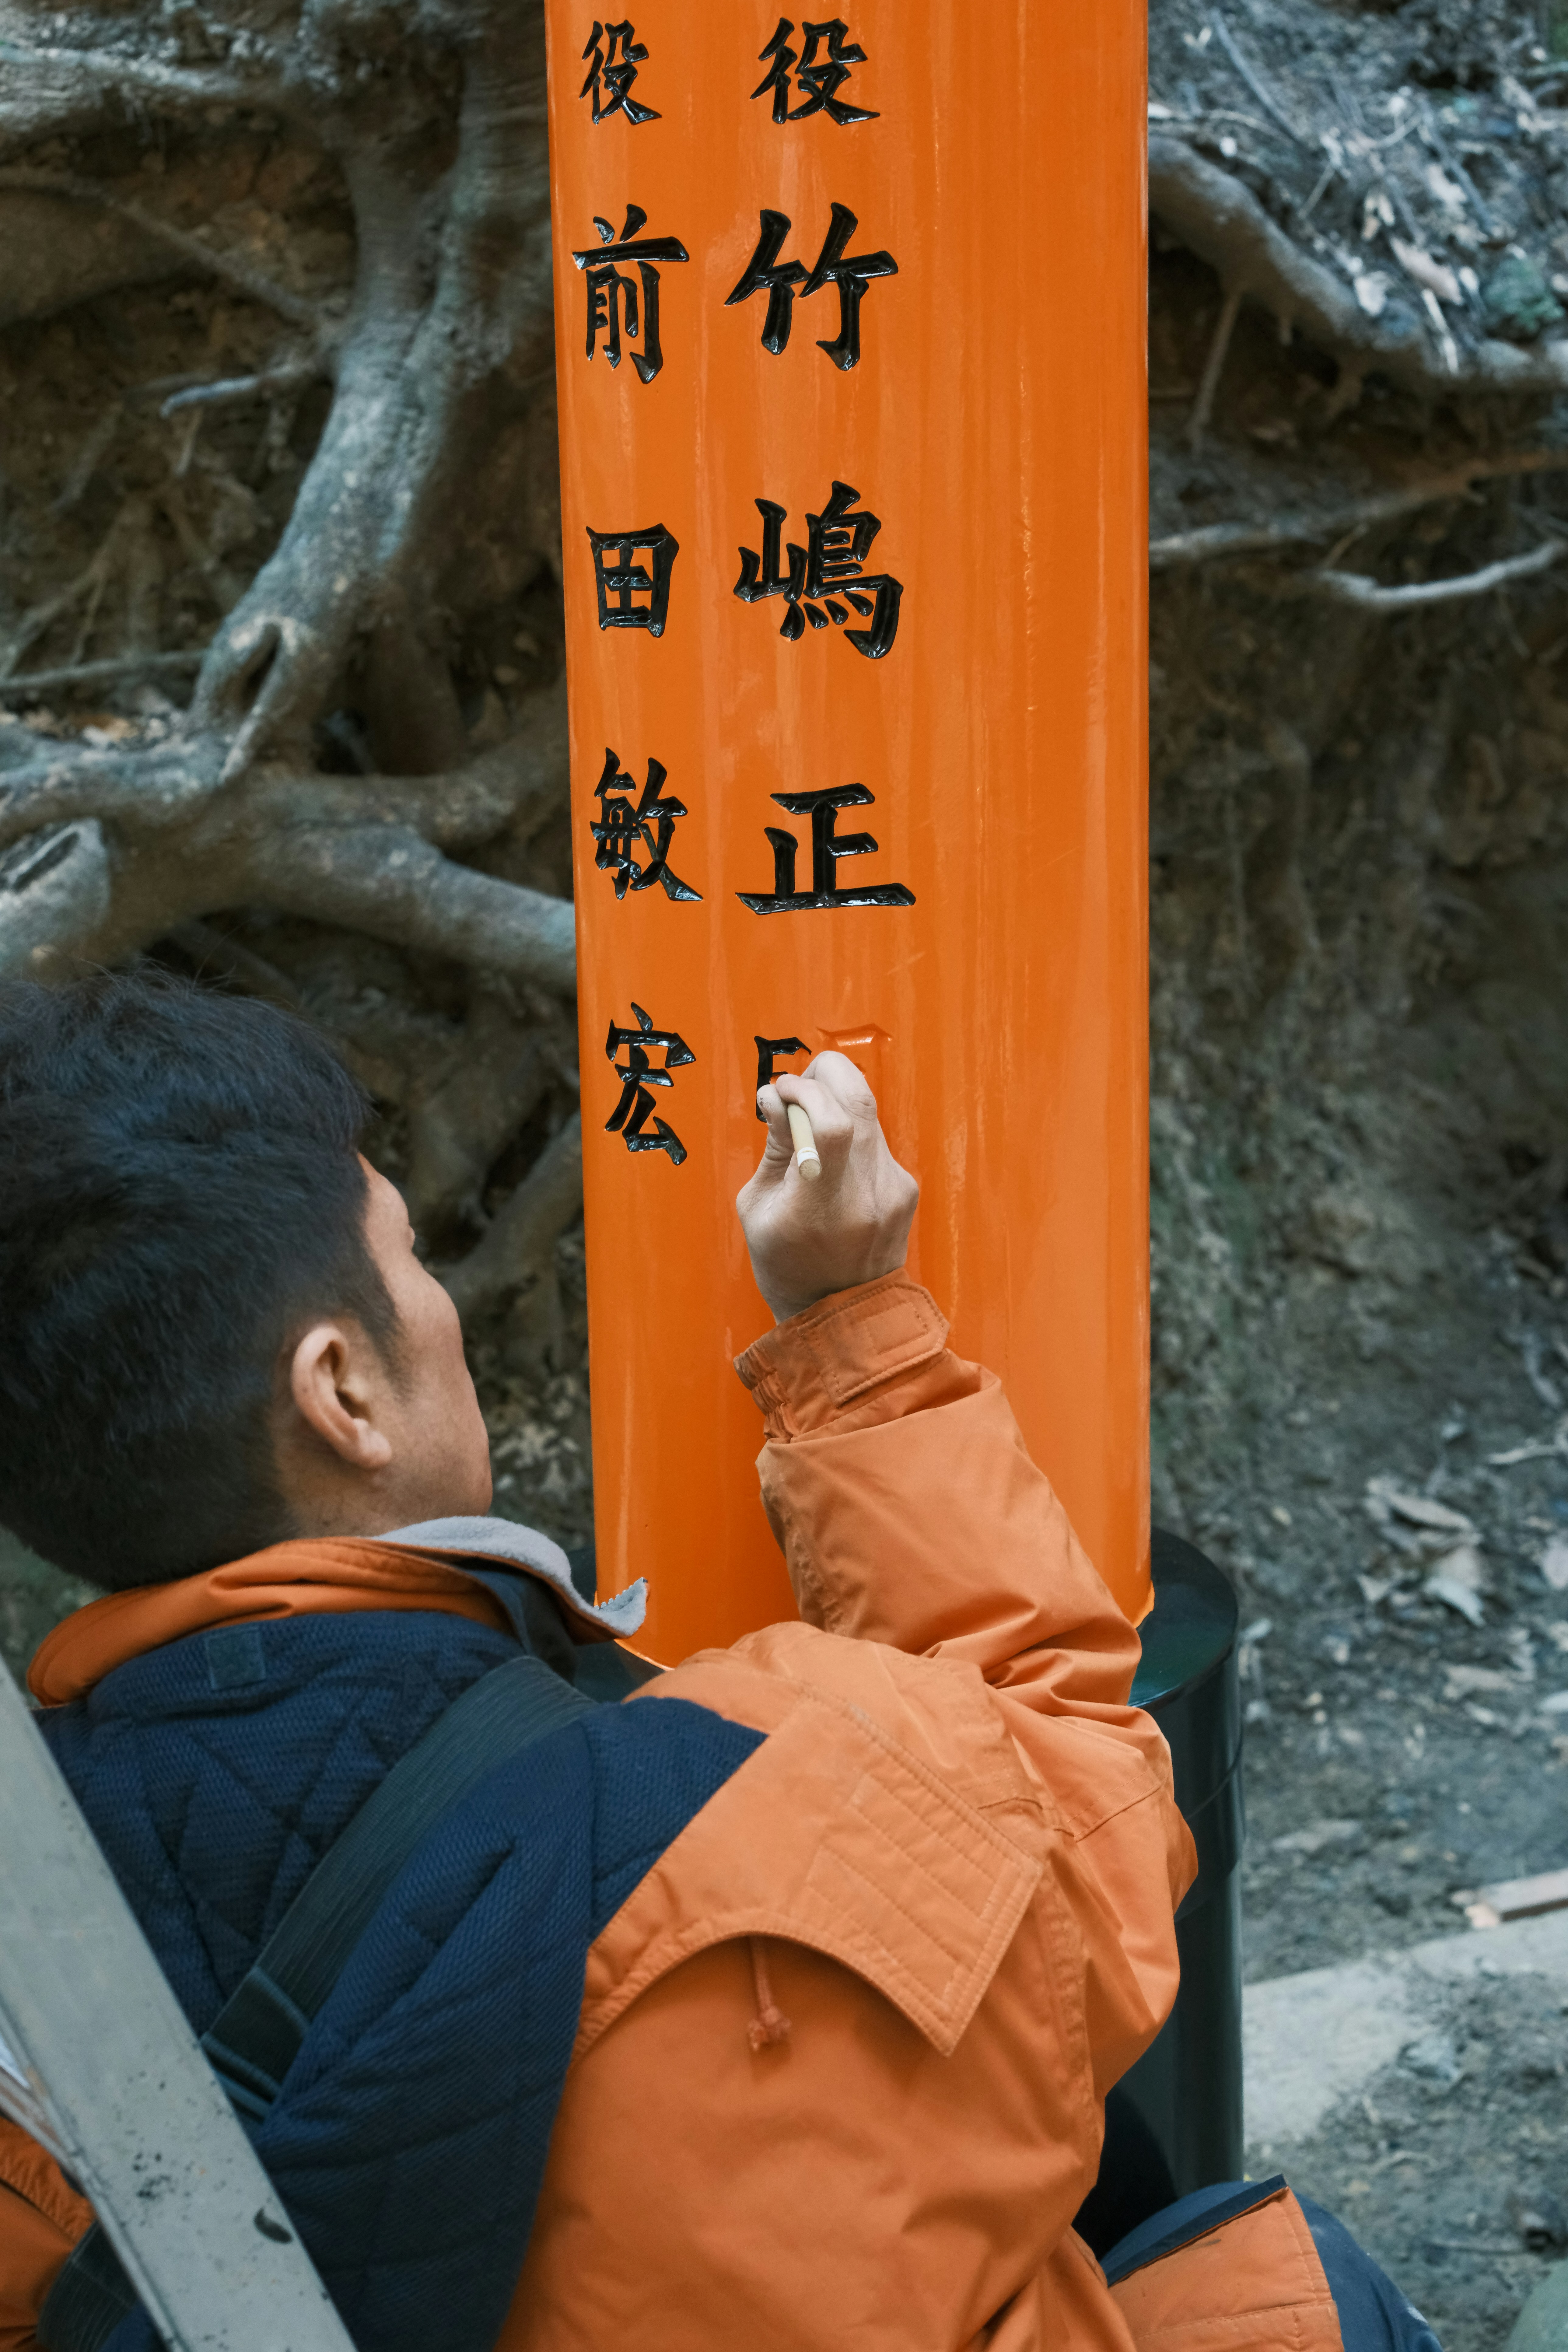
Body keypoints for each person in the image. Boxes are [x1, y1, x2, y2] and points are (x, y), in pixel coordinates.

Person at [0, 969, 1439, 2352]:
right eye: (411, 1255)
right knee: (1299, 2296)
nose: (439, 1299)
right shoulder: (747, 1791)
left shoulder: (27, 1981)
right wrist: (857, 1338)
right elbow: (1090, 1777)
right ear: (344, 1393)